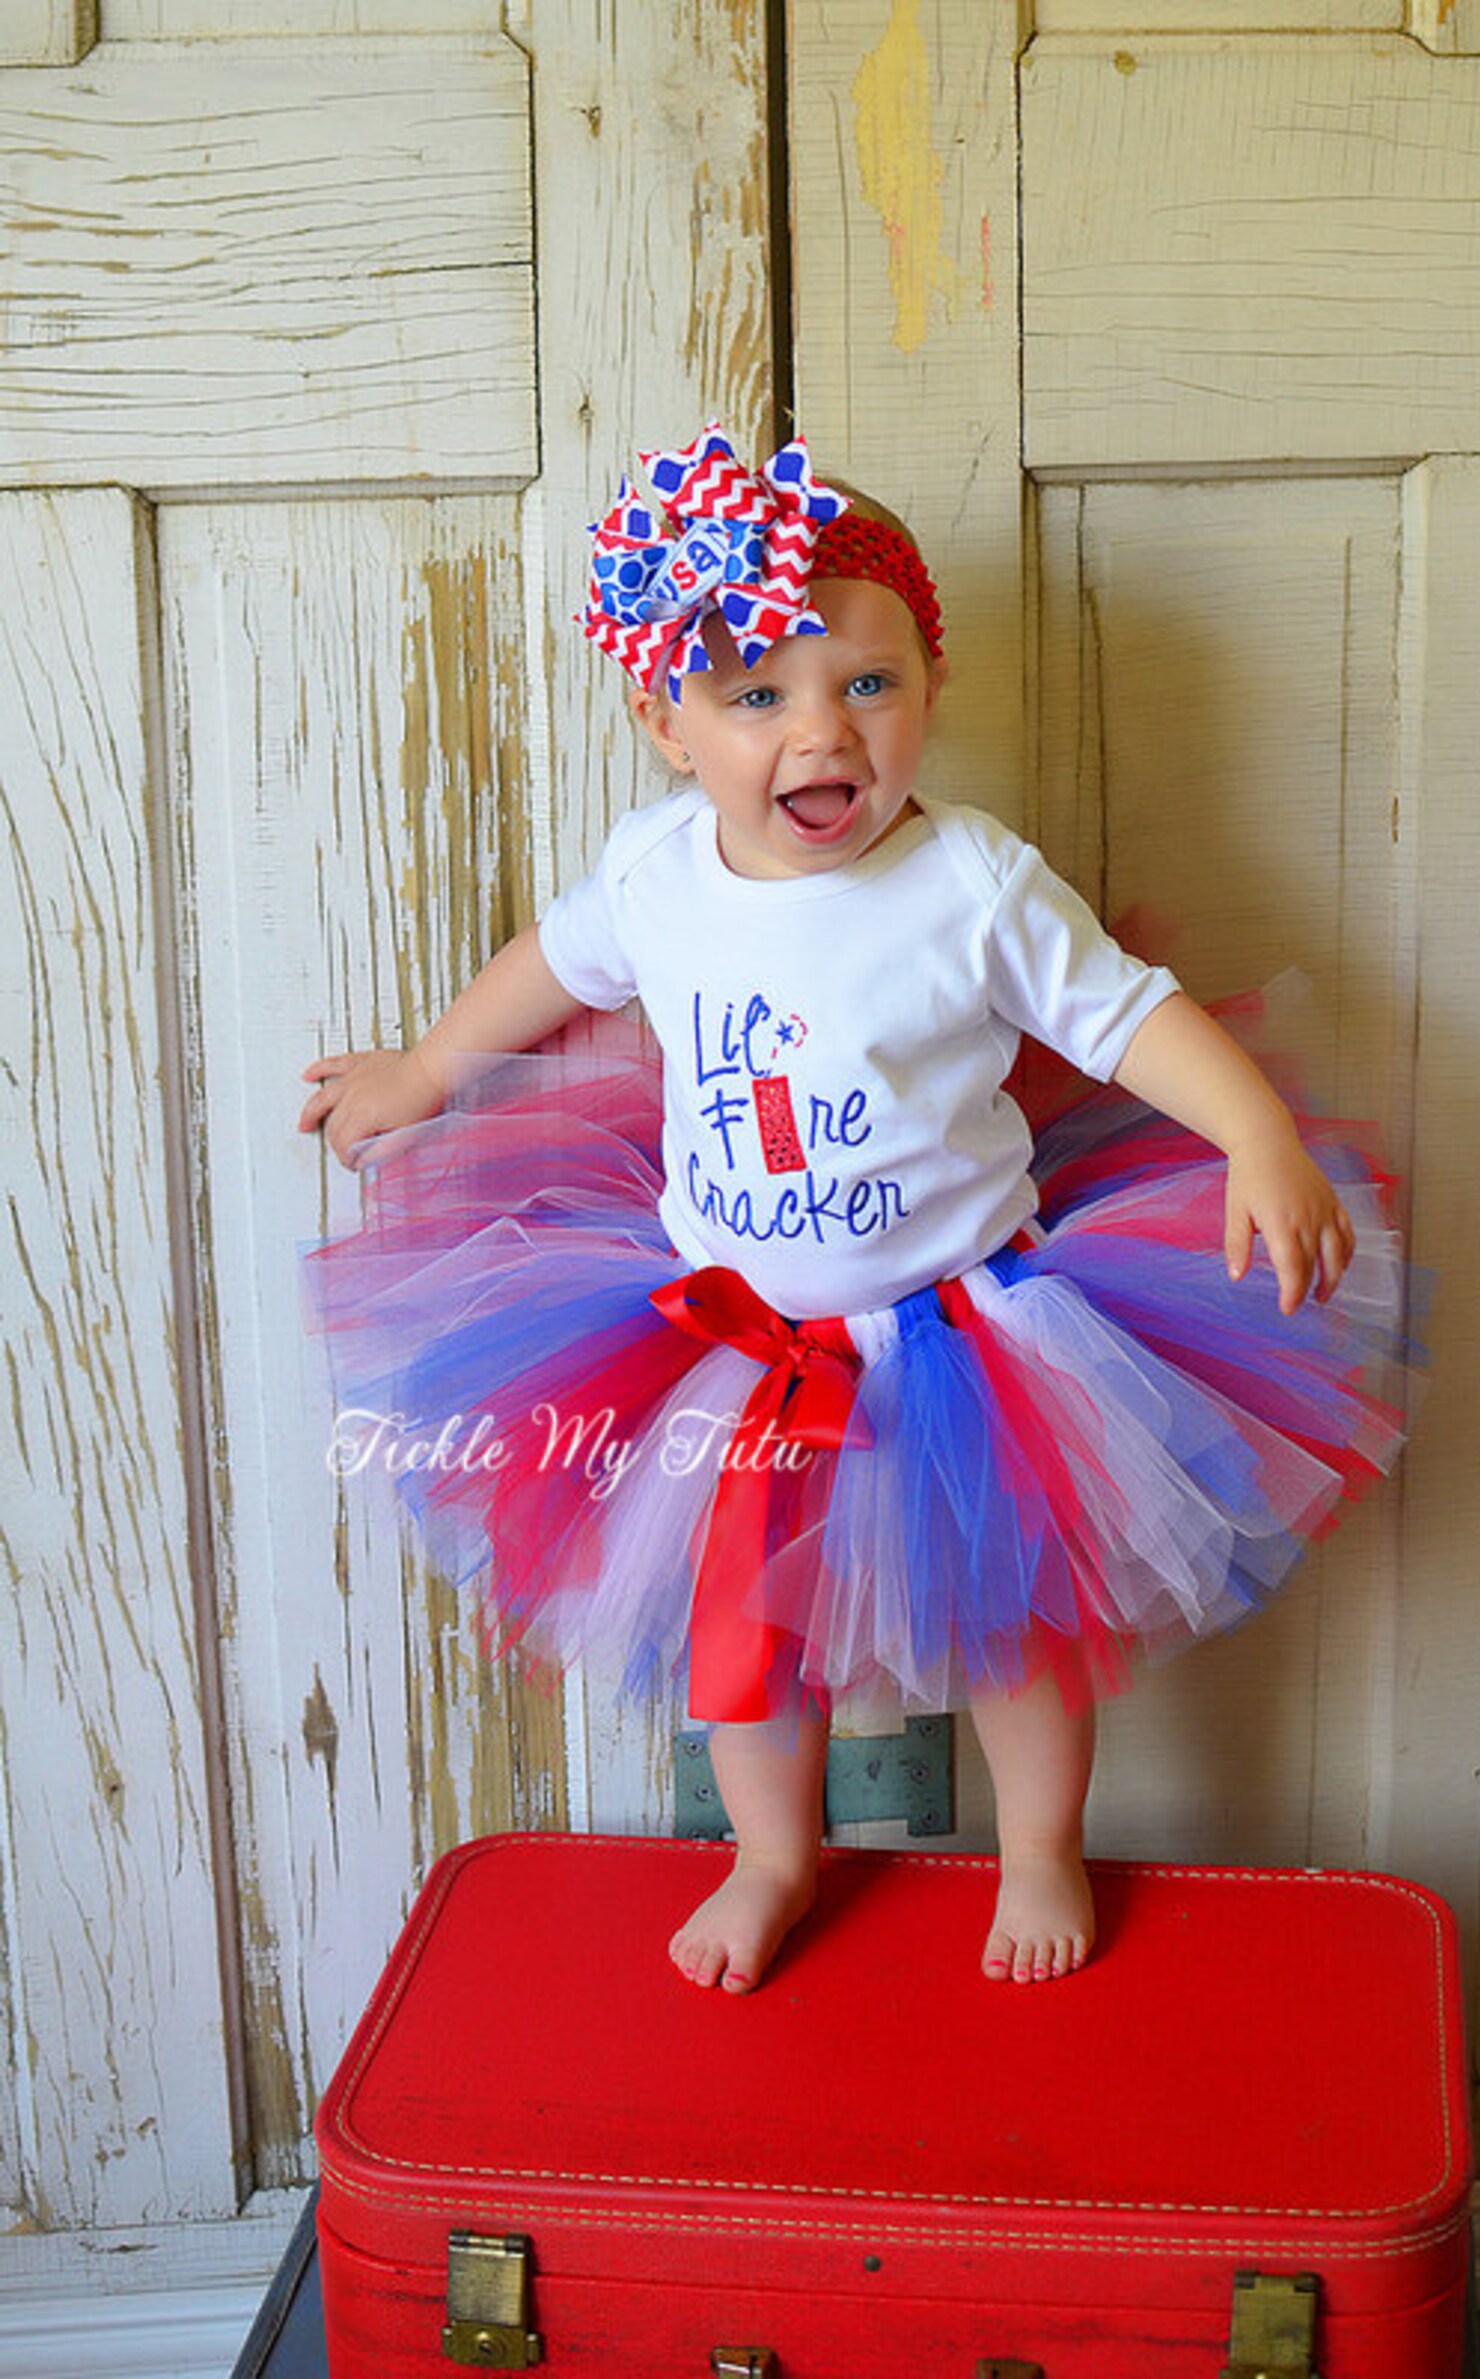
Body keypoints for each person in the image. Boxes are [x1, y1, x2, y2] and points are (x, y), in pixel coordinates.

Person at [300, 425, 1417, 1998]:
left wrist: (1249, 1130)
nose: (818, 732)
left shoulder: (971, 884)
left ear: (928, 690)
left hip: (971, 1335)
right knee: (744, 1634)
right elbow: (549, 973)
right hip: (725, 1334)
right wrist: (425, 1067)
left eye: (864, 685)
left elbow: (1123, 1014)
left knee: (1017, 1622)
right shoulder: (655, 875)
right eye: (755, 696)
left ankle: (1038, 1844)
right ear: (668, 722)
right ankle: (775, 1854)